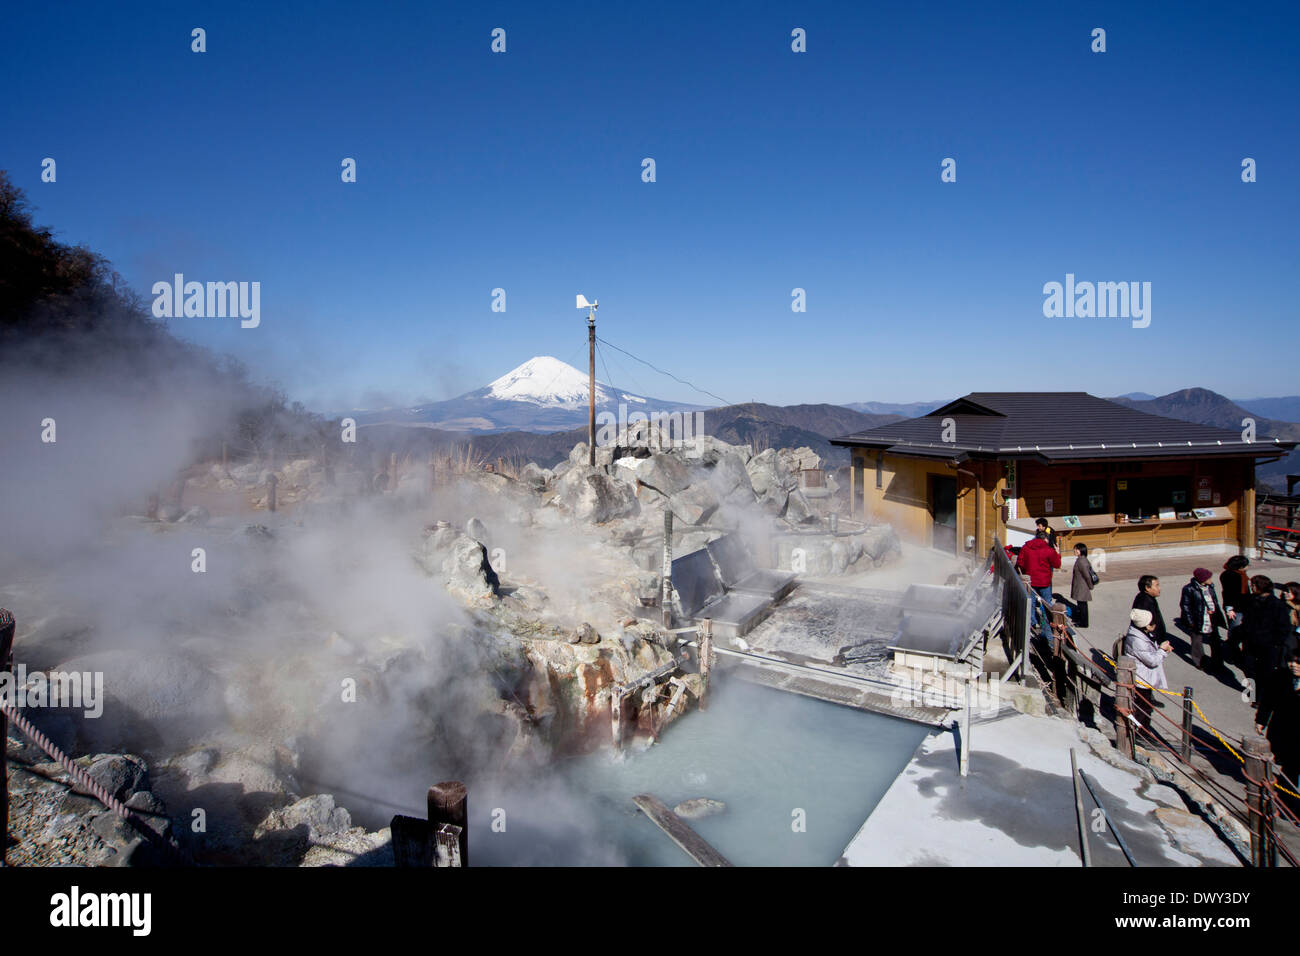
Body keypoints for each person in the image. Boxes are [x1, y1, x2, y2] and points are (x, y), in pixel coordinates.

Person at [1241, 575, 1294, 717]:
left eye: (1254, 585)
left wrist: (1274, 642)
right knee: (1248, 667)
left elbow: (1284, 628)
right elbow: (1246, 619)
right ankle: (1252, 692)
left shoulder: (1277, 605)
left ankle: (1259, 699)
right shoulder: (1251, 600)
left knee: (1265, 672)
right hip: (1250, 642)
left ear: (1262, 586)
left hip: (1269, 645)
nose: (1252, 588)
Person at [1125, 608, 1172, 729]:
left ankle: (1142, 730)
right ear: (1146, 626)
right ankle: (1140, 732)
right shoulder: (1138, 641)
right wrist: (1162, 650)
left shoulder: (1141, 635)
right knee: (1142, 708)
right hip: (1142, 679)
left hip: (1145, 678)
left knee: (1145, 706)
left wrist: (1162, 651)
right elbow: (1152, 661)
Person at [1176, 568, 1228, 672]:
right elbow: (1185, 606)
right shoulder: (1189, 589)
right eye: (1208, 577)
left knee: (1215, 641)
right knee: (1197, 642)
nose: (1211, 579)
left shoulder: (1210, 586)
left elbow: (1213, 601)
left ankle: (1218, 663)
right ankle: (1199, 662)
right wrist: (1190, 622)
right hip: (1198, 619)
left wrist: (1214, 612)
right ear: (1202, 579)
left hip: (1211, 618)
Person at [1016, 529, 1061, 635]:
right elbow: (1057, 564)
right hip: (1045, 581)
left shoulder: (1026, 547)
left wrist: (1026, 570)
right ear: (1045, 539)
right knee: (1047, 604)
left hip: (1031, 580)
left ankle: (1032, 624)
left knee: (1030, 602)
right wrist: (1057, 553)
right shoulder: (1049, 550)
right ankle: (1046, 628)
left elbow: (1020, 562)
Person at [1220, 555, 1251, 663]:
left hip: (1243, 607)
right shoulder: (1230, 576)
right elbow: (1228, 594)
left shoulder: (1240, 574)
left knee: (1241, 630)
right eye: (1247, 565)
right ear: (1240, 567)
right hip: (1235, 609)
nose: (1248, 567)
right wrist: (1229, 609)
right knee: (1235, 632)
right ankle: (1232, 653)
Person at [1132, 575, 1168, 646]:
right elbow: (1144, 624)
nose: (1159, 588)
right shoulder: (1144, 602)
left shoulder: (1148, 598)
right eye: (1157, 586)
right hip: (1150, 642)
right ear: (1147, 588)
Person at [1070, 542, 1095, 628]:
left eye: (1076, 549)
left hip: (1082, 586)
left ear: (1080, 550)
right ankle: (1081, 620)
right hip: (1081, 585)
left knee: (1082, 605)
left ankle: (1083, 623)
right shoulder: (1081, 559)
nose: (1074, 550)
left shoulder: (1081, 561)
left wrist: (1090, 585)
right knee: (1081, 604)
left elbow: (1087, 575)